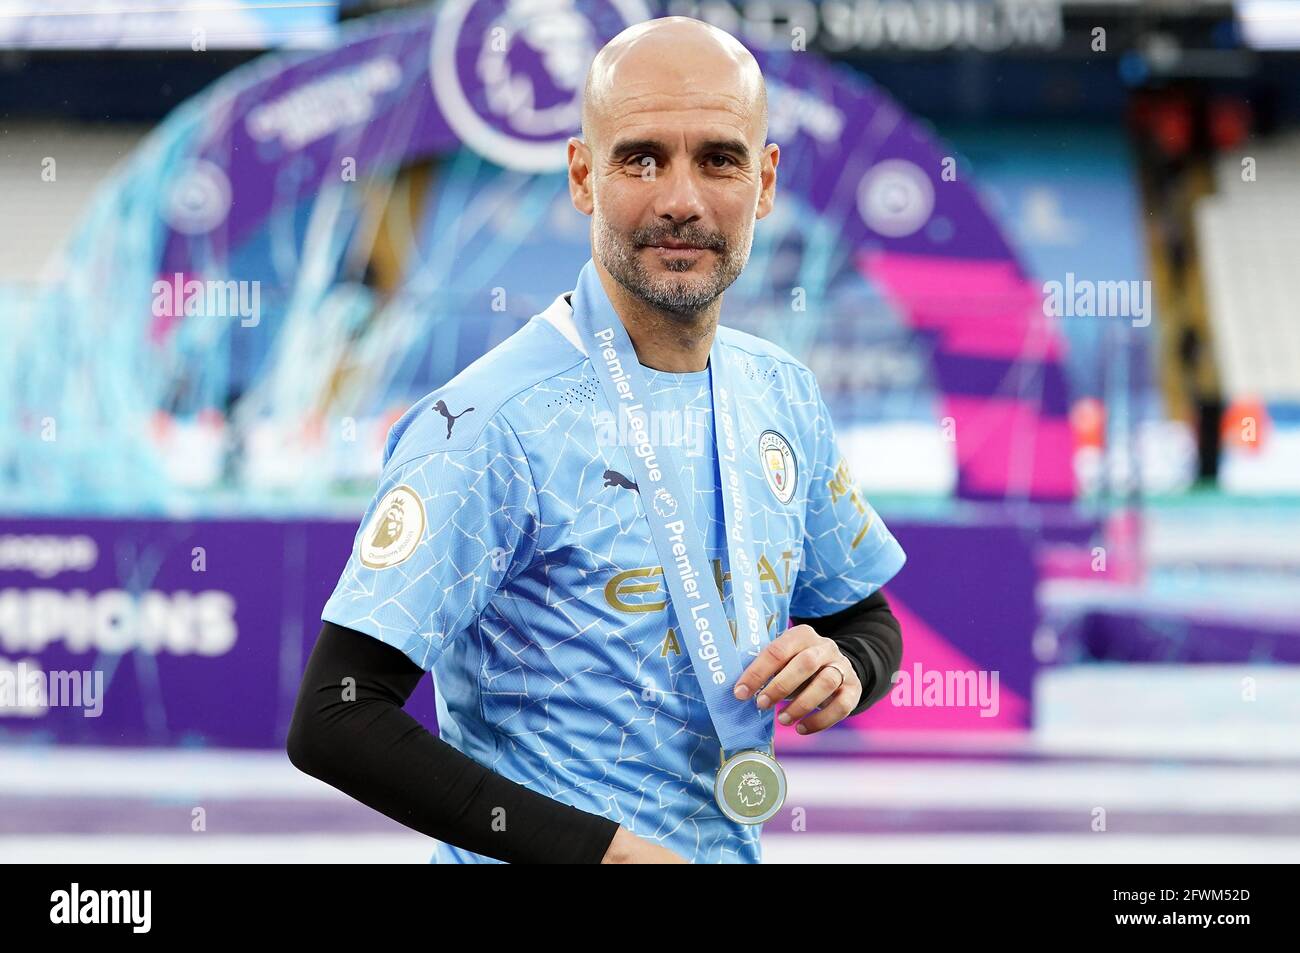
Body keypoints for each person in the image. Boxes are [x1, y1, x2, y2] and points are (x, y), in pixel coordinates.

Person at [288, 15, 906, 864]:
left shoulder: (781, 392)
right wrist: (601, 853)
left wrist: (845, 665)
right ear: (583, 175)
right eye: (641, 157)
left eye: (718, 159)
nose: (680, 199)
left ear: (764, 183)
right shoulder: (485, 425)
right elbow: (335, 715)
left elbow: (865, 617)